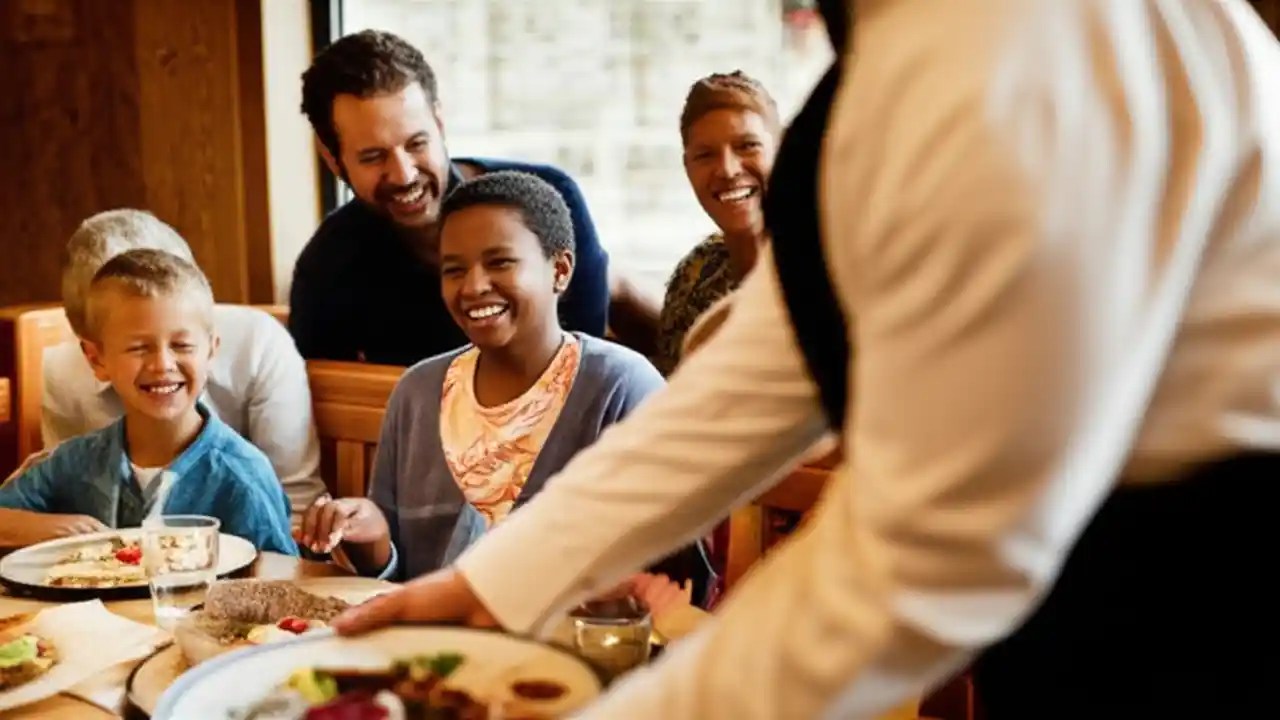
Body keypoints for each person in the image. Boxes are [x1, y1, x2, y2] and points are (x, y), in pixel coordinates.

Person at [330, 0, 1280, 717]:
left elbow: (938, 557)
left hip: (1201, 599)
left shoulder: (1023, 52)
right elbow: (756, 372)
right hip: (1070, 600)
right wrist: (495, 583)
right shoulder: (884, 67)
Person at [297, 172, 711, 601]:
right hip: (430, 648)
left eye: (500, 262)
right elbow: (397, 576)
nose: (473, 286)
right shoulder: (417, 392)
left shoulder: (620, 386)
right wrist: (371, 538)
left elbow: (671, 575)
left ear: (561, 270)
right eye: (454, 270)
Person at [290, 30, 610, 367]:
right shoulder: (327, 267)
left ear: (439, 124)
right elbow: (332, 397)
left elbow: (585, 369)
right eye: (373, 157)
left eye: (417, 144)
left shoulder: (551, 201)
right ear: (331, 159)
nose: (404, 175)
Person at [0, 250, 297, 554]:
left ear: (210, 351)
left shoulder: (242, 475)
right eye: (139, 348)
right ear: (96, 359)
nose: (162, 364)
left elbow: (283, 581)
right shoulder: (76, 461)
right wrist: (49, 529)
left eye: (181, 345)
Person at [41, 209, 325, 518]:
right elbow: (63, 499)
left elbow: (295, 501)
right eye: (136, 342)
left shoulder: (258, 344)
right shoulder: (61, 371)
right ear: (91, 348)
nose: (162, 364)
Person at [653, 70, 781, 376]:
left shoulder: (831, 262)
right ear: (687, 167)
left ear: (783, 149)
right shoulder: (696, 273)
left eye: (747, 146)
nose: (727, 169)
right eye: (705, 155)